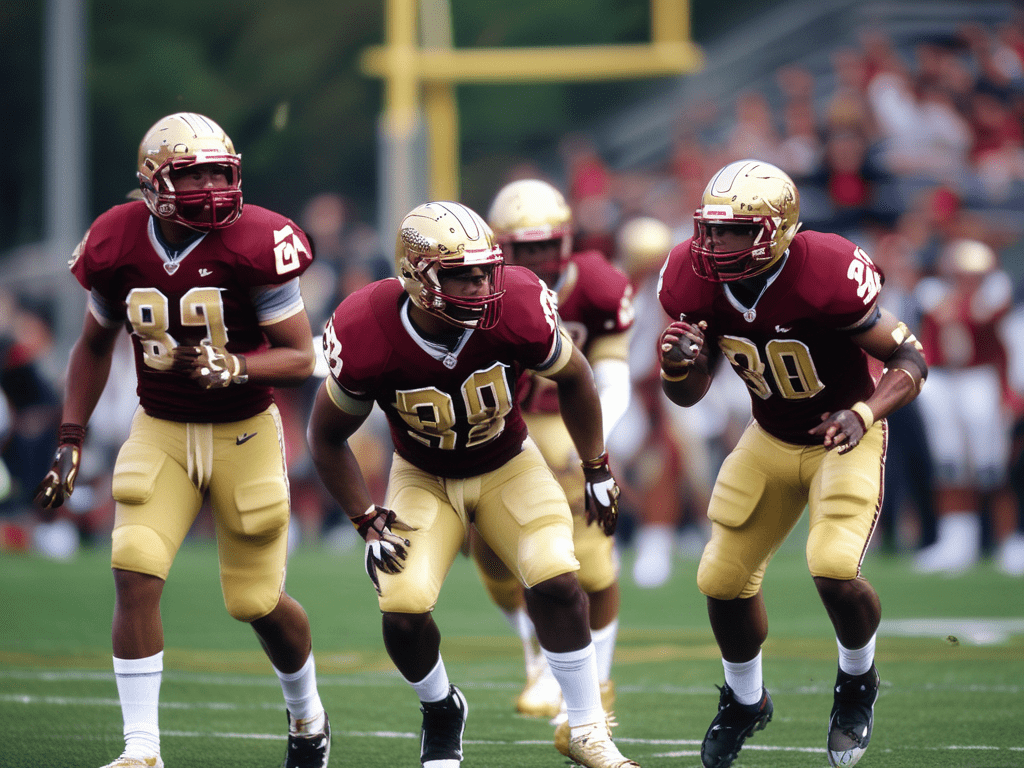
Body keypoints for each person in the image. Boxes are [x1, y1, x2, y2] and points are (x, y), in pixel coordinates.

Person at [34, 112, 330, 768]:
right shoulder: (115, 239)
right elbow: (92, 345)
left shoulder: (258, 240)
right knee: (134, 568)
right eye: (192, 174)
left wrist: (241, 365)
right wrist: (71, 437)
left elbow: (301, 356)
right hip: (160, 427)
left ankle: (308, 714)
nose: (210, 187)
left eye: (219, 173)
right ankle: (142, 749)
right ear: (151, 182)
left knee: (253, 600)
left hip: (245, 431)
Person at [306, 200, 640, 768]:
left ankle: (587, 729)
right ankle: (441, 708)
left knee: (557, 576)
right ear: (416, 275)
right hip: (423, 476)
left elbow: (577, 377)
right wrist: (364, 517)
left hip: (509, 464)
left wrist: (596, 466)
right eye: (462, 274)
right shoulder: (367, 327)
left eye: (487, 270)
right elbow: (326, 435)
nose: (482, 285)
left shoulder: (516, 303)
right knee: (404, 607)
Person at [656, 160, 928, 768]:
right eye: (710, 229)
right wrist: (679, 366)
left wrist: (865, 411)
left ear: (776, 230)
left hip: (842, 433)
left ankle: (857, 682)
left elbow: (910, 358)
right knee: (721, 580)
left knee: (832, 565)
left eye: (733, 232)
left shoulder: (825, 269)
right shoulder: (687, 279)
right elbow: (688, 394)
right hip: (771, 436)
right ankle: (745, 700)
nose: (713, 243)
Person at [477, 180, 632, 744]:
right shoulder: (477, 287)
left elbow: (611, 376)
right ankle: (538, 657)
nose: (541, 259)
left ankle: (600, 678)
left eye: (548, 245)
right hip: (501, 425)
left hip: (573, 420)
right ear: (500, 248)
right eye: (527, 249)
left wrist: (590, 445)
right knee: (493, 557)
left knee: (587, 557)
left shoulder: (595, 284)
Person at [914, 238, 1015, 573]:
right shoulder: (931, 290)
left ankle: (1009, 540)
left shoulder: (994, 291)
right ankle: (958, 541)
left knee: (991, 465)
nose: (965, 279)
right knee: (949, 463)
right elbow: (944, 314)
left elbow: (976, 318)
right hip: (943, 381)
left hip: (980, 378)